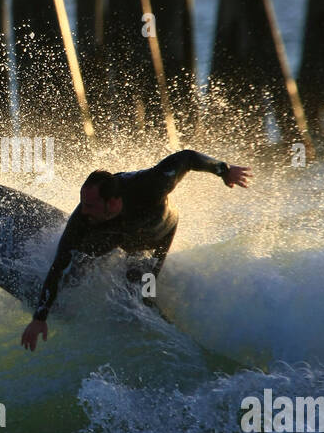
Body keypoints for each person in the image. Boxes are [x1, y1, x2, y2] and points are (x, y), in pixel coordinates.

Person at [20, 150, 251, 351]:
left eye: (90, 206)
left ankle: (151, 332)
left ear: (112, 202)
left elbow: (187, 158)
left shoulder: (150, 185)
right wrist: (39, 318)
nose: (83, 211)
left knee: (139, 291)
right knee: (79, 253)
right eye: (83, 204)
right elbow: (59, 263)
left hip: (154, 240)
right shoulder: (84, 219)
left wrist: (224, 170)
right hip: (119, 233)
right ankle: (72, 285)